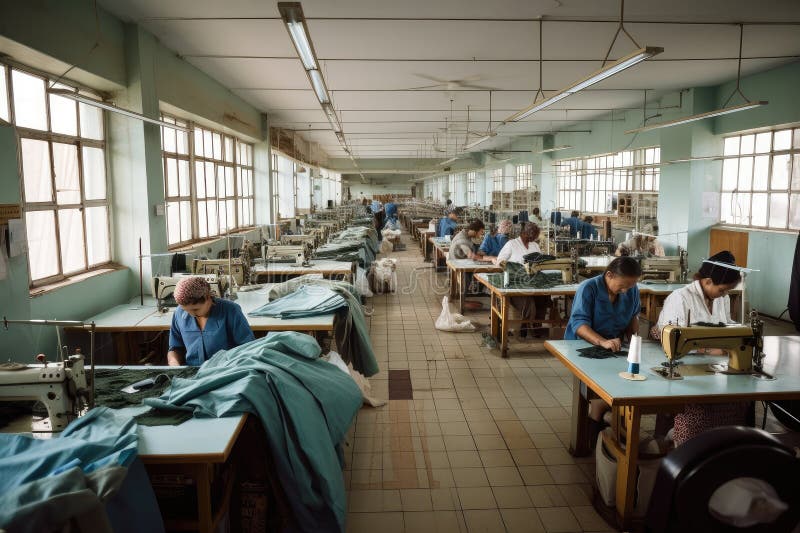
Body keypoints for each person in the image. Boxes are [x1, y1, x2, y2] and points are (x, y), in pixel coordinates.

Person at [652, 250, 747, 446]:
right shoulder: (680, 298)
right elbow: (670, 338)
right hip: (685, 363)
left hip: (713, 367)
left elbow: (727, 326)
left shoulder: (722, 298)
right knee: (699, 402)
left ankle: (724, 445)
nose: (725, 294)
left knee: (740, 398)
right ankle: (684, 441)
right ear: (708, 281)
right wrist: (709, 349)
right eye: (722, 289)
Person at [565, 257, 642, 425]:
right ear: (609, 275)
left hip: (614, 346)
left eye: (631, 286)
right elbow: (579, 324)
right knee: (601, 390)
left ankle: (608, 419)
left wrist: (635, 341)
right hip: (583, 345)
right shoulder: (589, 288)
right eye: (622, 286)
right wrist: (601, 342)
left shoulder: (632, 290)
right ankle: (596, 420)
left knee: (625, 385)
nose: (626, 291)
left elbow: (632, 317)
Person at [168, 277, 255, 366]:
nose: (192, 314)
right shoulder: (179, 313)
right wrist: (174, 363)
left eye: (196, 309)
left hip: (226, 370)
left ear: (207, 297)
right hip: (193, 373)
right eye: (186, 310)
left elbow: (247, 346)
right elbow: (175, 348)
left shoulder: (230, 310)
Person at [495, 223, 549, 335]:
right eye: (534, 235)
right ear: (526, 233)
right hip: (516, 283)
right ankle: (524, 327)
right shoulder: (512, 244)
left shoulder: (534, 245)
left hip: (533, 281)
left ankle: (536, 327)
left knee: (544, 298)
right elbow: (499, 261)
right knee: (528, 304)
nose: (536, 238)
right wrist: (513, 268)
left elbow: (540, 262)